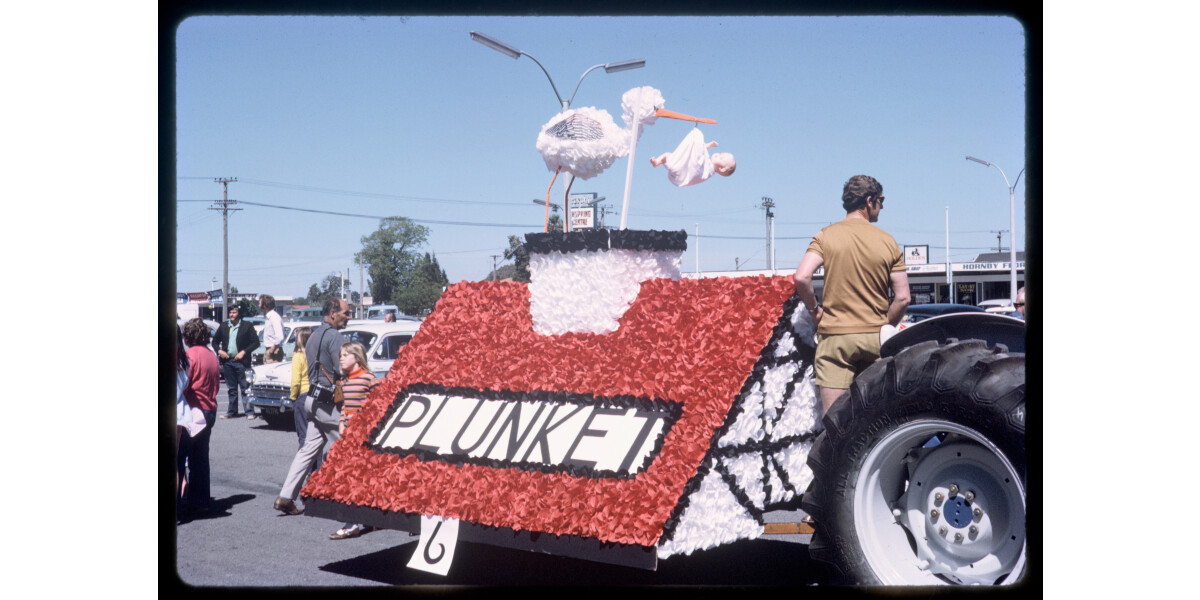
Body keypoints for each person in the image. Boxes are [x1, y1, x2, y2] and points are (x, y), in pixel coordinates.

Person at [793, 174, 910, 416]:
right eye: (881, 200)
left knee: (835, 422)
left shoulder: (825, 236)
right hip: (875, 340)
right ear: (869, 201)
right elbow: (903, 298)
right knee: (875, 421)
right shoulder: (888, 241)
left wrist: (815, 312)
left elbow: (802, 277)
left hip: (835, 340)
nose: (882, 206)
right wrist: (884, 325)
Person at [274, 298, 352, 516]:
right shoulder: (335, 337)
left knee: (307, 451)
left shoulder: (313, 337)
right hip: (329, 404)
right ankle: (353, 502)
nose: (348, 317)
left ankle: (285, 496)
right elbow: (343, 370)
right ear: (333, 313)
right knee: (348, 449)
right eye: (346, 313)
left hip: (312, 399)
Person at [328, 341, 379, 540]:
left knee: (357, 477)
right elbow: (344, 405)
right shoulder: (344, 381)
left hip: (363, 435)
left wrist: (362, 423)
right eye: (340, 355)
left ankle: (353, 523)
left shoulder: (369, 378)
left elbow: (378, 405)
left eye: (345, 355)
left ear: (356, 357)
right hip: (348, 434)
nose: (341, 359)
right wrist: (342, 422)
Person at [181, 318, 220, 516]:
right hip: (210, 409)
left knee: (181, 456)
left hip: (193, 411)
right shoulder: (212, 356)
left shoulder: (190, 355)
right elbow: (217, 385)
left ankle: (181, 499)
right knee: (200, 458)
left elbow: (184, 385)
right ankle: (200, 501)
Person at [212, 305, 260, 419]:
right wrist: (219, 351)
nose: (231, 315)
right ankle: (232, 412)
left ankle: (249, 412)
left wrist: (244, 352)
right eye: (230, 313)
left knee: (245, 387)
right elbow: (215, 341)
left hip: (242, 361)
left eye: (234, 312)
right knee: (231, 389)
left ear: (239, 314)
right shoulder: (224, 326)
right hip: (227, 361)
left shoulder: (247, 326)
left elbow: (255, 342)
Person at [649, 128, 736, 187]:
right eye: (721, 153)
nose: (718, 154)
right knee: (667, 155)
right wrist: (708, 145)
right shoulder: (707, 166)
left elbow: (699, 157)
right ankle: (657, 162)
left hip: (680, 172)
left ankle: (657, 162)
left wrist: (699, 140)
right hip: (679, 174)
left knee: (698, 137)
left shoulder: (708, 171)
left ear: (722, 169)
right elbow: (699, 156)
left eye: (721, 158)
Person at [289, 327, 313, 448]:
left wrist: (293, 397)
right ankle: (317, 460)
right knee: (315, 436)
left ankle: (304, 460)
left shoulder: (298, 356)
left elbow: (295, 381)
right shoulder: (315, 356)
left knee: (303, 434)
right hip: (314, 394)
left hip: (303, 395)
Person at [260, 294, 285, 363]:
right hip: (270, 350)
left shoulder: (274, 317)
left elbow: (280, 337)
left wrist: (271, 350)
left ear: (265, 305)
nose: (259, 306)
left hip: (274, 352)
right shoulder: (269, 317)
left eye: (259, 303)